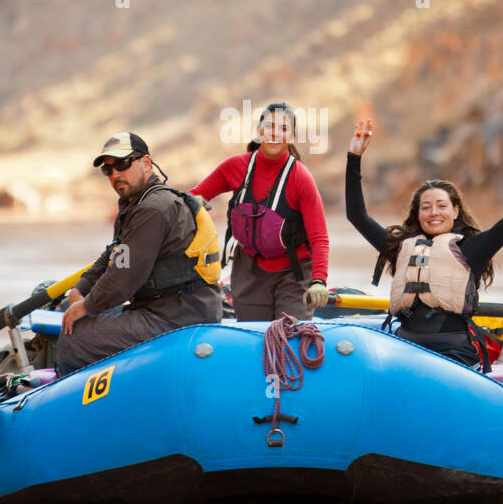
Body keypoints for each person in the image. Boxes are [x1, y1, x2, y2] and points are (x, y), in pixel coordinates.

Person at [345, 118, 503, 368]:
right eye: (426, 207)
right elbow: (357, 215)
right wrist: (354, 157)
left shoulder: (471, 249)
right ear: (418, 214)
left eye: (441, 206)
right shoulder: (400, 247)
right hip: (404, 347)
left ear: (455, 211)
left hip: (453, 351)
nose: (434, 213)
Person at [56, 132, 222, 375]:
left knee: (75, 338)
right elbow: (114, 255)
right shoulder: (135, 204)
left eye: (123, 163)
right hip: (161, 308)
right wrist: (79, 289)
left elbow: (124, 275)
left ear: (146, 163)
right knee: (75, 316)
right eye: (108, 169)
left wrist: (87, 305)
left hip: (179, 314)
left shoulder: (154, 208)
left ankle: (77, 395)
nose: (115, 174)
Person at [190, 102, 329, 321]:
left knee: (288, 333)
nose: (275, 133)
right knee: (253, 335)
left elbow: (319, 237)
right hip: (249, 270)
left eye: (284, 128)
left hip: (293, 273)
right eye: (269, 126)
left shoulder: (300, 177)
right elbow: (194, 196)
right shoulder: (235, 166)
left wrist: (319, 280)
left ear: (292, 137)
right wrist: (192, 203)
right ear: (258, 131)